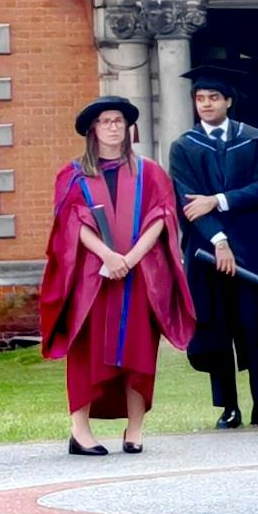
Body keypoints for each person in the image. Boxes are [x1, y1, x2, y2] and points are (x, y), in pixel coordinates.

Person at [42, 95, 193, 455]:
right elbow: (70, 223)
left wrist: (131, 258)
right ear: (93, 129)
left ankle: (135, 429)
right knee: (85, 351)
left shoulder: (149, 172)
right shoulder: (73, 174)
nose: (113, 127)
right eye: (106, 121)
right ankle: (80, 431)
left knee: (139, 348)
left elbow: (162, 217)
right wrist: (108, 255)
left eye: (119, 121)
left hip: (138, 278)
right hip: (93, 280)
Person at [167, 76, 258, 429]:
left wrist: (219, 200)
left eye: (213, 97)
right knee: (216, 326)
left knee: (256, 327)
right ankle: (228, 406)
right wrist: (219, 241)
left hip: (253, 247)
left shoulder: (254, 140)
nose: (206, 103)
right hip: (206, 252)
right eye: (200, 98)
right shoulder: (184, 146)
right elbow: (187, 202)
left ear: (228, 101)